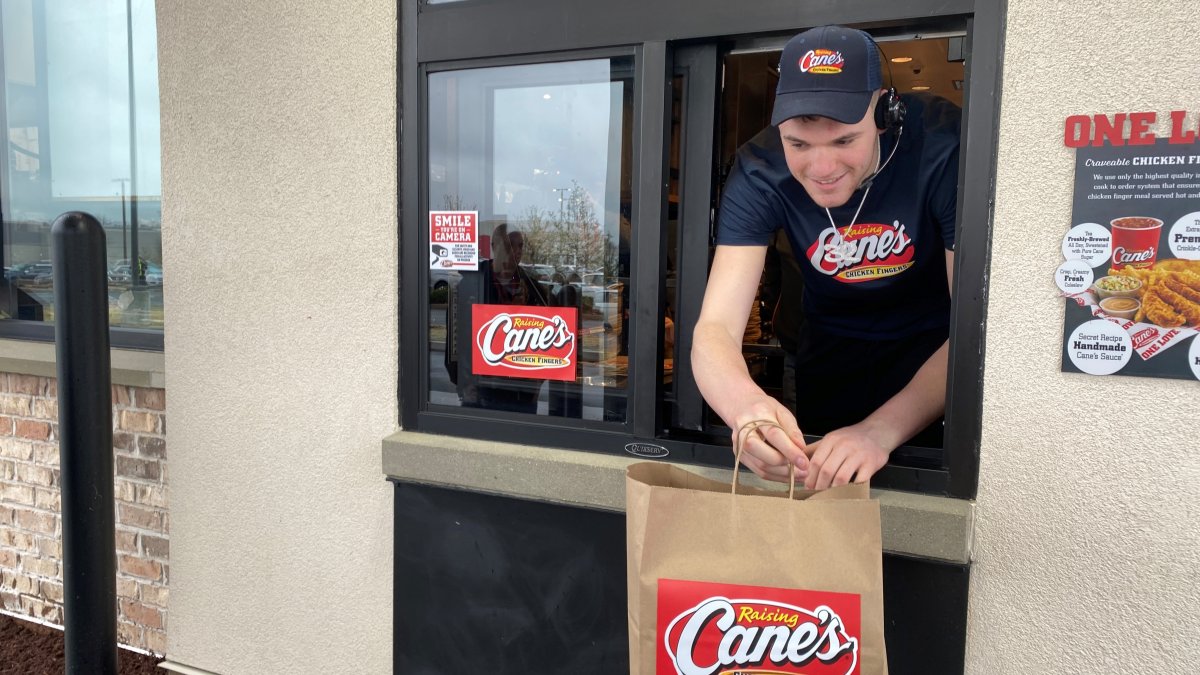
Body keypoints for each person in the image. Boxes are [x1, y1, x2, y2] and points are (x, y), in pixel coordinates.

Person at [692, 25, 960, 490]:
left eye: (843, 142)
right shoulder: (760, 169)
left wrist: (879, 432)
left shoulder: (944, 148)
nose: (821, 169)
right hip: (825, 352)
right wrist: (745, 408)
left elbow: (974, 330)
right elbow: (714, 329)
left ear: (885, 111)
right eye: (798, 144)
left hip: (934, 355)